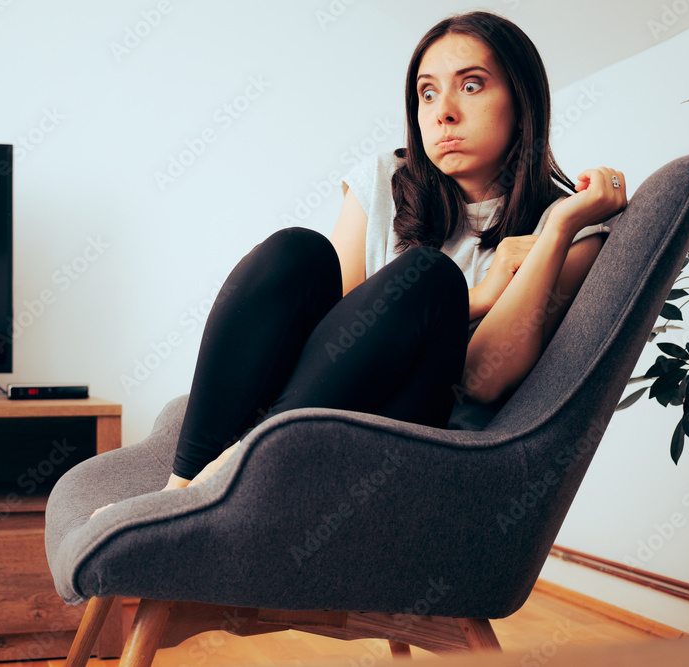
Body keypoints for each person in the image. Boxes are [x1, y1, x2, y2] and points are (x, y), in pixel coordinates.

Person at [91, 10, 625, 519]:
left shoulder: (569, 230)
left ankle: (238, 467)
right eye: (427, 92)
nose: (443, 112)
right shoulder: (386, 178)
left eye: (471, 84)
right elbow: (332, 332)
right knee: (297, 250)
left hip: (406, 432)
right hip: (322, 403)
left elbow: (485, 380)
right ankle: (181, 489)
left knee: (427, 275)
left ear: (523, 100)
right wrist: (482, 295)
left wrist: (556, 228)